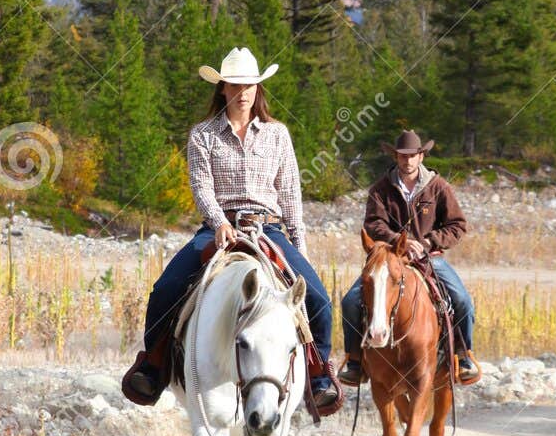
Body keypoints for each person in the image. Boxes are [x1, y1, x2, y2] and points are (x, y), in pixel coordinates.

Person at [121, 47, 340, 415]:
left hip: (269, 229)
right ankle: (153, 366)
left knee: (319, 299)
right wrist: (219, 222)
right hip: (218, 228)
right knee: (166, 289)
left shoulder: (277, 134)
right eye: (235, 85)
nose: (242, 92)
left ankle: (318, 376)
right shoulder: (203, 135)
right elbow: (201, 186)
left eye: (249, 85)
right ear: (222, 88)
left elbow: (290, 193)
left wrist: (299, 245)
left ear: (258, 89)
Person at [339, 129, 479, 386]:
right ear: (396, 156)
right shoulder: (381, 189)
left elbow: (457, 225)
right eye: (403, 155)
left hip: (429, 258)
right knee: (350, 302)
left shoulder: (438, 187)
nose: (408, 160)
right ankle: (355, 361)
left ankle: (463, 355)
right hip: (388, 258)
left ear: (421, 156)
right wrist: (398, 241)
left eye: (413, 155)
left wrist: (427, 242)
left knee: (462, 300)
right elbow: (373, 223)